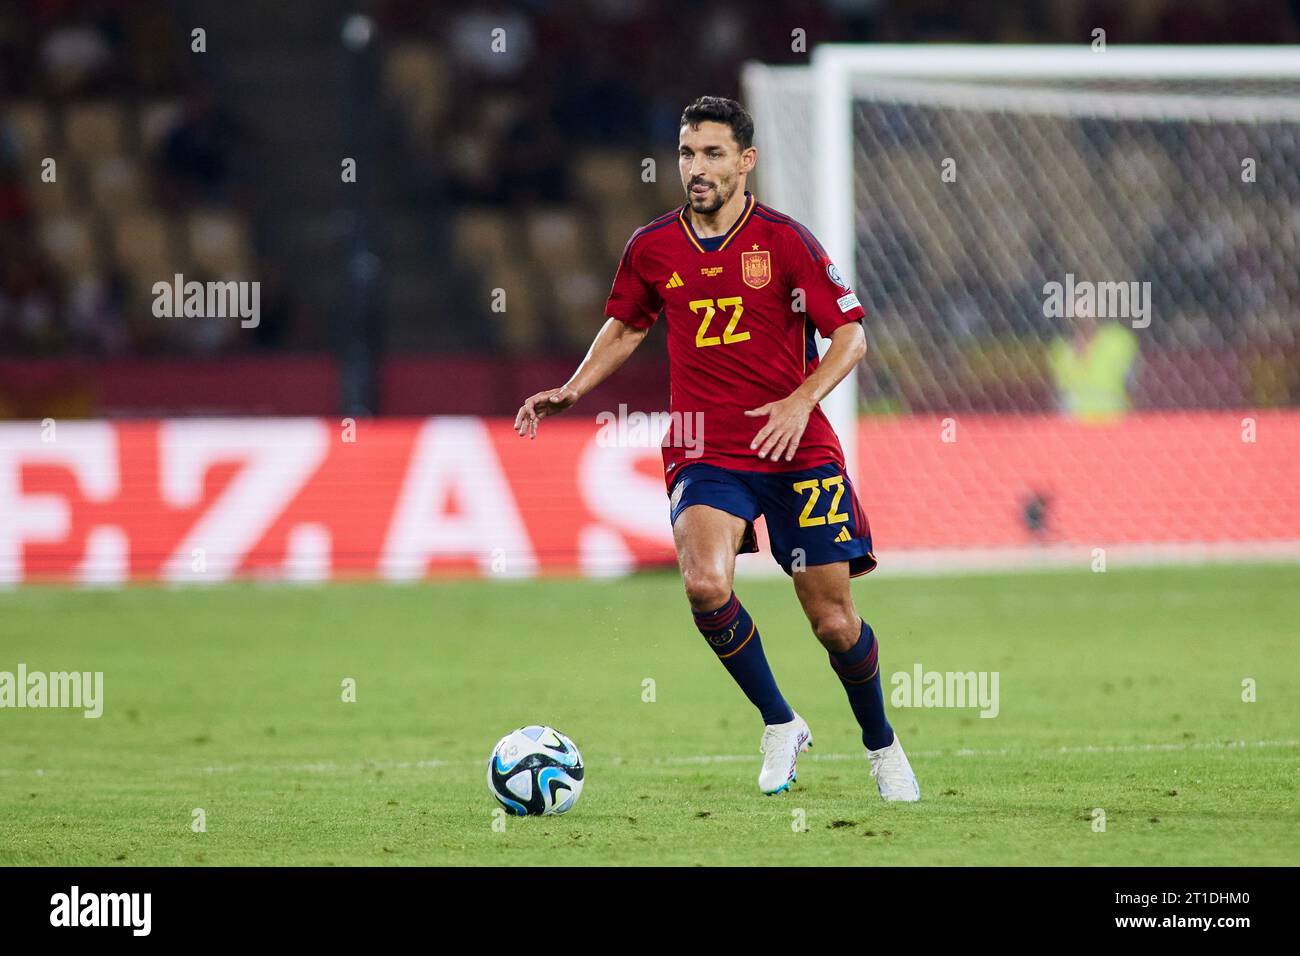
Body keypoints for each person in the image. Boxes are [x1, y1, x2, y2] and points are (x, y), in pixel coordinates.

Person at [514, 96, 919, 801]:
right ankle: (778, 721)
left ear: (745, 162)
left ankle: (881, 744)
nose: (695, 169)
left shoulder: (786, 242)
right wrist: (574, 388)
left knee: (832, 621)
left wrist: (801, 399)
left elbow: (852, 336)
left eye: (711, 155)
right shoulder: (652, 246)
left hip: (798, 449)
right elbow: (628, 325)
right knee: (705, 584)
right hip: (706, 449)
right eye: (686, 154)